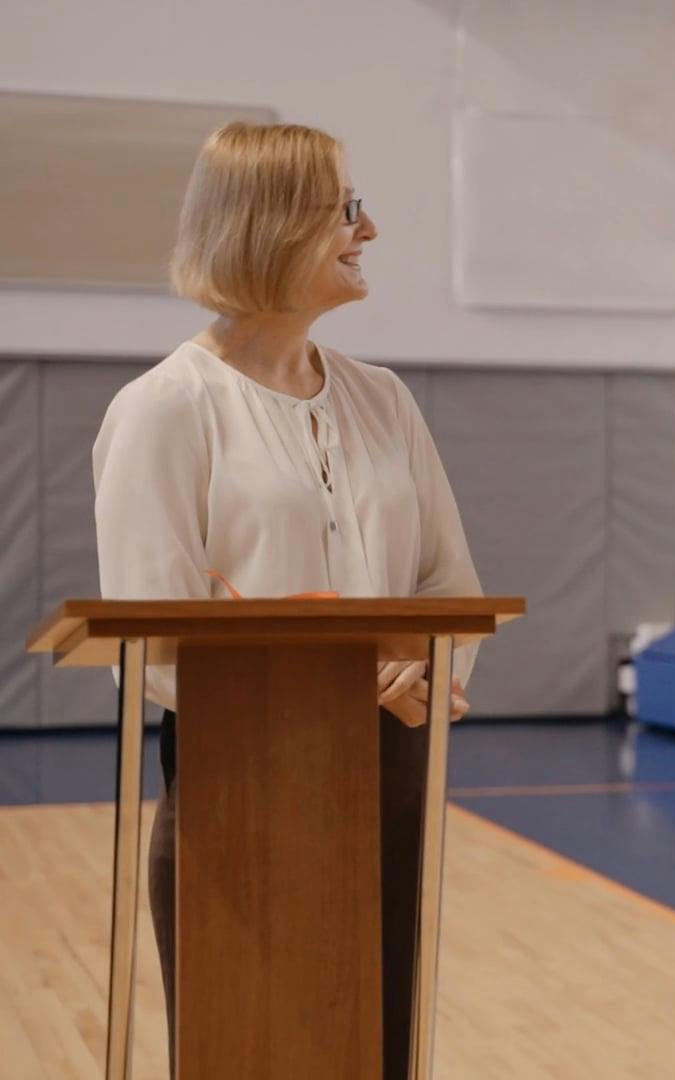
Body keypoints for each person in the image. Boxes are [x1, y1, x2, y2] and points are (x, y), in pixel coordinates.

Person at [92, 121, 482, 1078]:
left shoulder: (385, 398)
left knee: (379, 1047)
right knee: (251, 1047)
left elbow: (450, 585)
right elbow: (152, 637)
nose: (372, 229)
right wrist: (341, 684)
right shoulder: (165, 407)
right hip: (239, 783)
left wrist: (414, 672)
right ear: (268, 226)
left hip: (390, 769)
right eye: (347, 208)